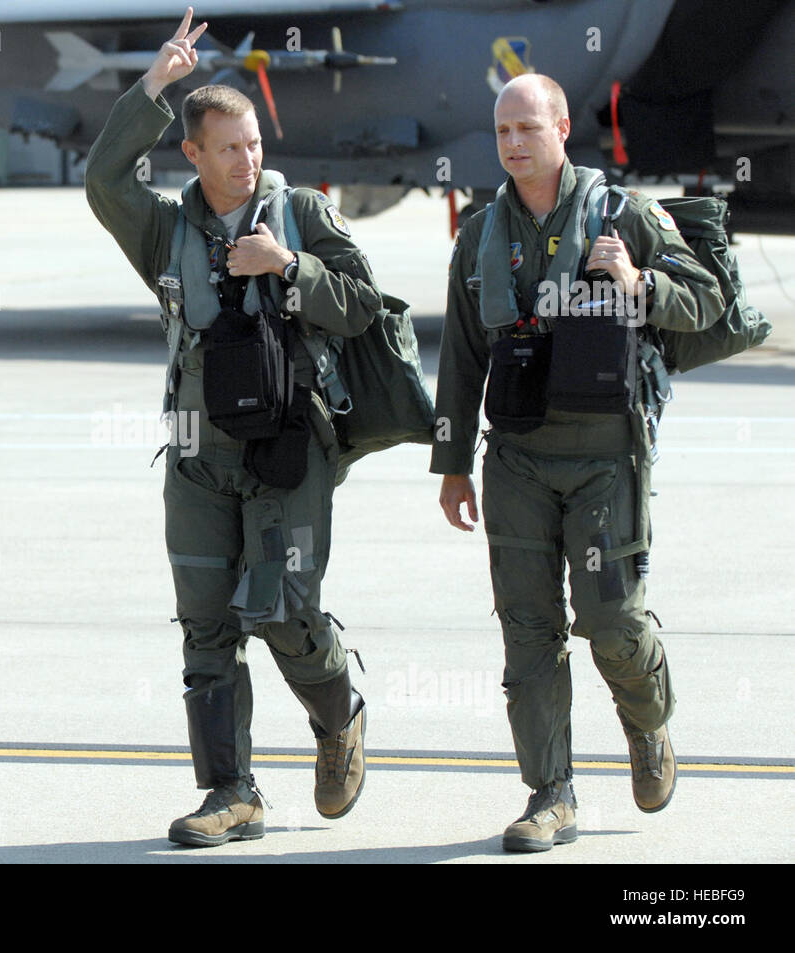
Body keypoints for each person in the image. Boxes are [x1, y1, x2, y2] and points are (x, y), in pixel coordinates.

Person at [85, 8, 389, 847]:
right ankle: (231, 790)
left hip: (289, 452)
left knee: (283, 611)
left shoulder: (302, 216)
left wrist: (288, 265)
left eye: (253, 143)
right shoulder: (166, 230)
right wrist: (153, 86)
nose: (247, 159)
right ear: (193, 154)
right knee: (207, 623)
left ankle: (340, 717)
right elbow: (103, 182)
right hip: (197, 452)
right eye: (228, 147)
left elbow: (365, 307)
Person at [432, 73, 725, 852]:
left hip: (603, 456)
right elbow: (462, 357)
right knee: (527, 634)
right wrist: (452, 461)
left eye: (528, 127)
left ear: (562, 126)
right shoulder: (479, 233)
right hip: (518, 460)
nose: (514, 143)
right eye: (502, 132)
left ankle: (648, 719)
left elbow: (707, 300)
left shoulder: (622, 213)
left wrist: (640, 280)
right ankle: (550, 793)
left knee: (610, 623)